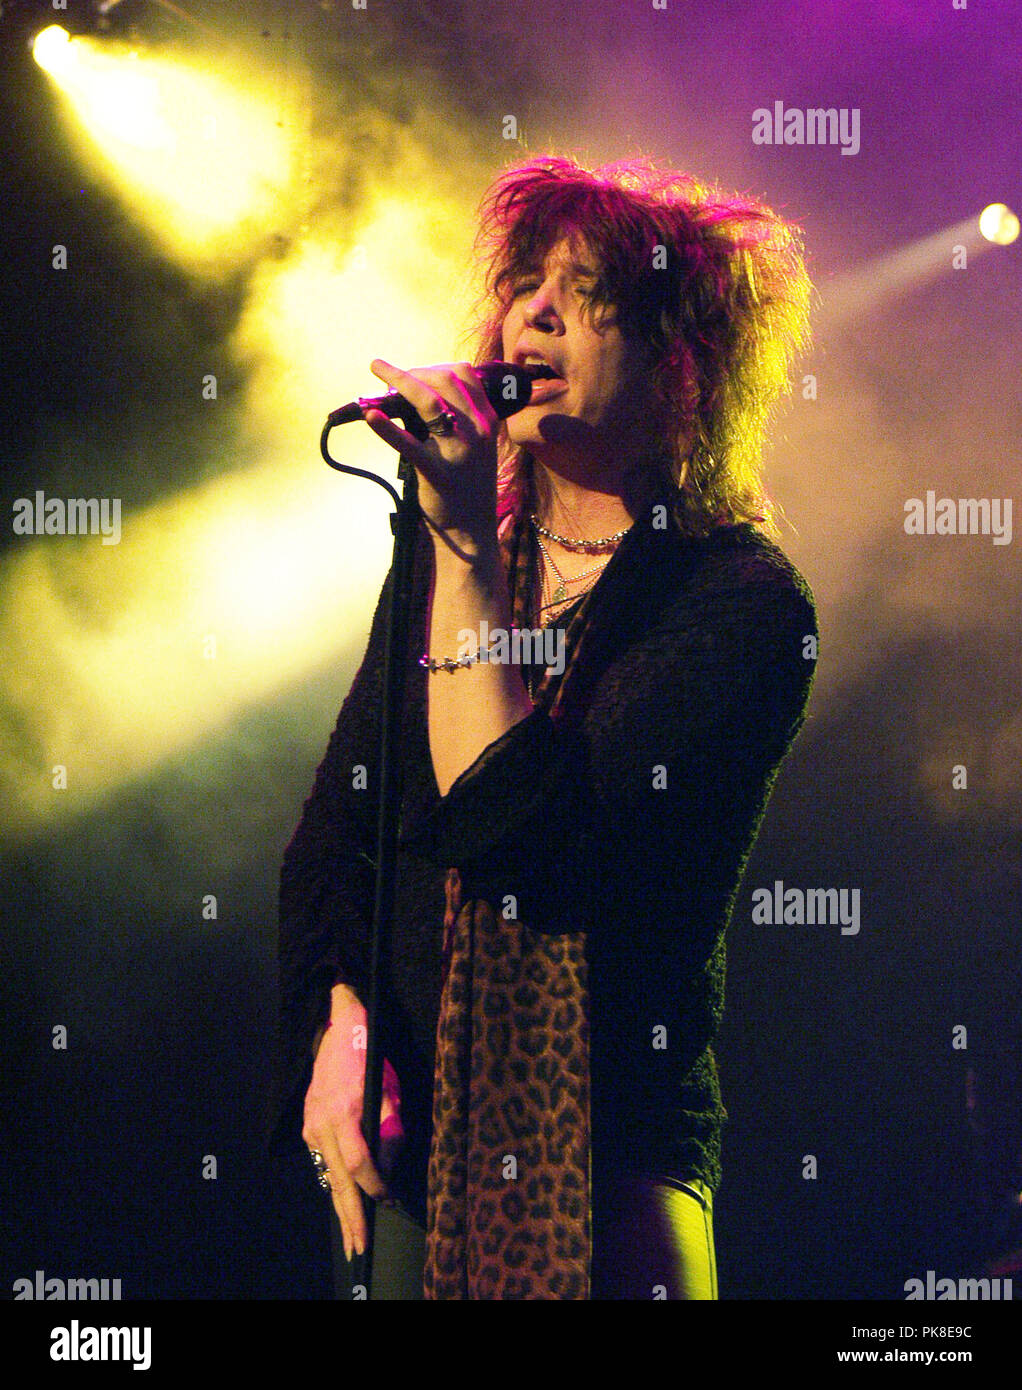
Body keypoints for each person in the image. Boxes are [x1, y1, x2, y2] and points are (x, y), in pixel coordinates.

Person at [266, 154, 819, 1300]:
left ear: (682, 361)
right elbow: (341, 833)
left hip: (610, 1156)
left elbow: (529, 844)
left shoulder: (739, 600)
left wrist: (462, 546)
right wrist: (341, 1026)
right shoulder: (441, 559)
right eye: (525, 282)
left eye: (590, 292)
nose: (536, 312)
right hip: (417, 1157)